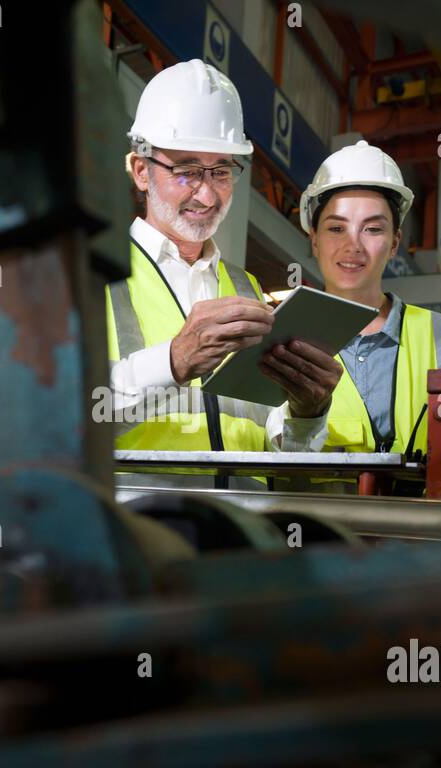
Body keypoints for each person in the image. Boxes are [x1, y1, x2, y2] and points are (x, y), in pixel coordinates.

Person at [107, 59, 343, 489]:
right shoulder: (92, 273)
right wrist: (173, 361)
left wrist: (308, 412)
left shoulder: (247, 288)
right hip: (136, 527)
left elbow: (286, 454)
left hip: (243, 529)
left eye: (220, 170)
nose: (207, 192)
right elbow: (53, 415)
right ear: (142, 171)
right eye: (188, 170)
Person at [267, 140, 441, 475]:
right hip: (309, 525)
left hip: (418, 527)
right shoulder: (277, 332)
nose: (353, 246)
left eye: (373, 229)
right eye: (336, 228)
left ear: (394, 244)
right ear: (314, 239)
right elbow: (266, 455)